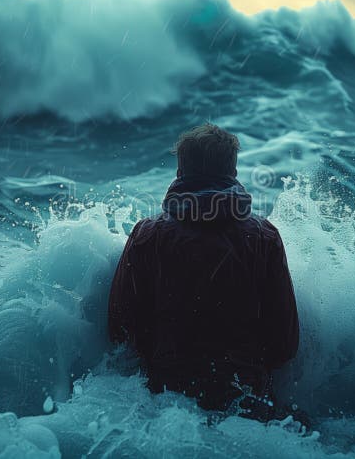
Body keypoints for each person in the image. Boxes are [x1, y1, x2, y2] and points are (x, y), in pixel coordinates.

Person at [107, 123, 299, 418]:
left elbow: (119, 327)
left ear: (180, 172)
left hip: (165, 401)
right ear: (232, 172)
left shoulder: (147, 234)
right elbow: (284, 343)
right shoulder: (263, 237)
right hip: (245, 399)